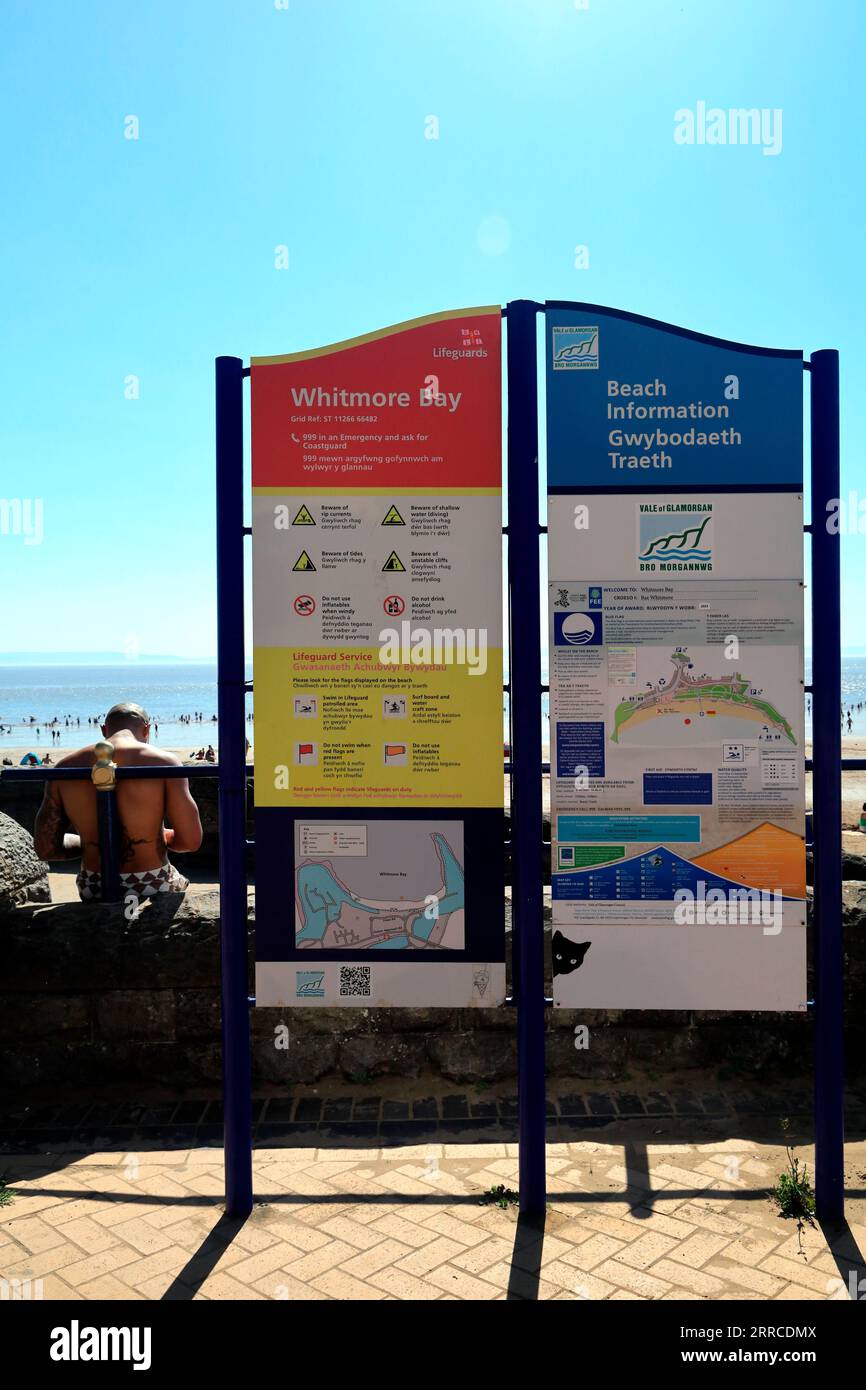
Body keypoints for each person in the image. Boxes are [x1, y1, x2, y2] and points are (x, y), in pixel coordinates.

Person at [34, 701, 202, 902]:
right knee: (180, 883)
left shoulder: (64, 767)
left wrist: (93, 842)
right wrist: (155, 837)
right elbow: (190, 841)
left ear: (104, 730)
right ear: (147, 729)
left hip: (94, 884)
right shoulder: (165, 763)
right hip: (151, 881)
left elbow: (46, 847)